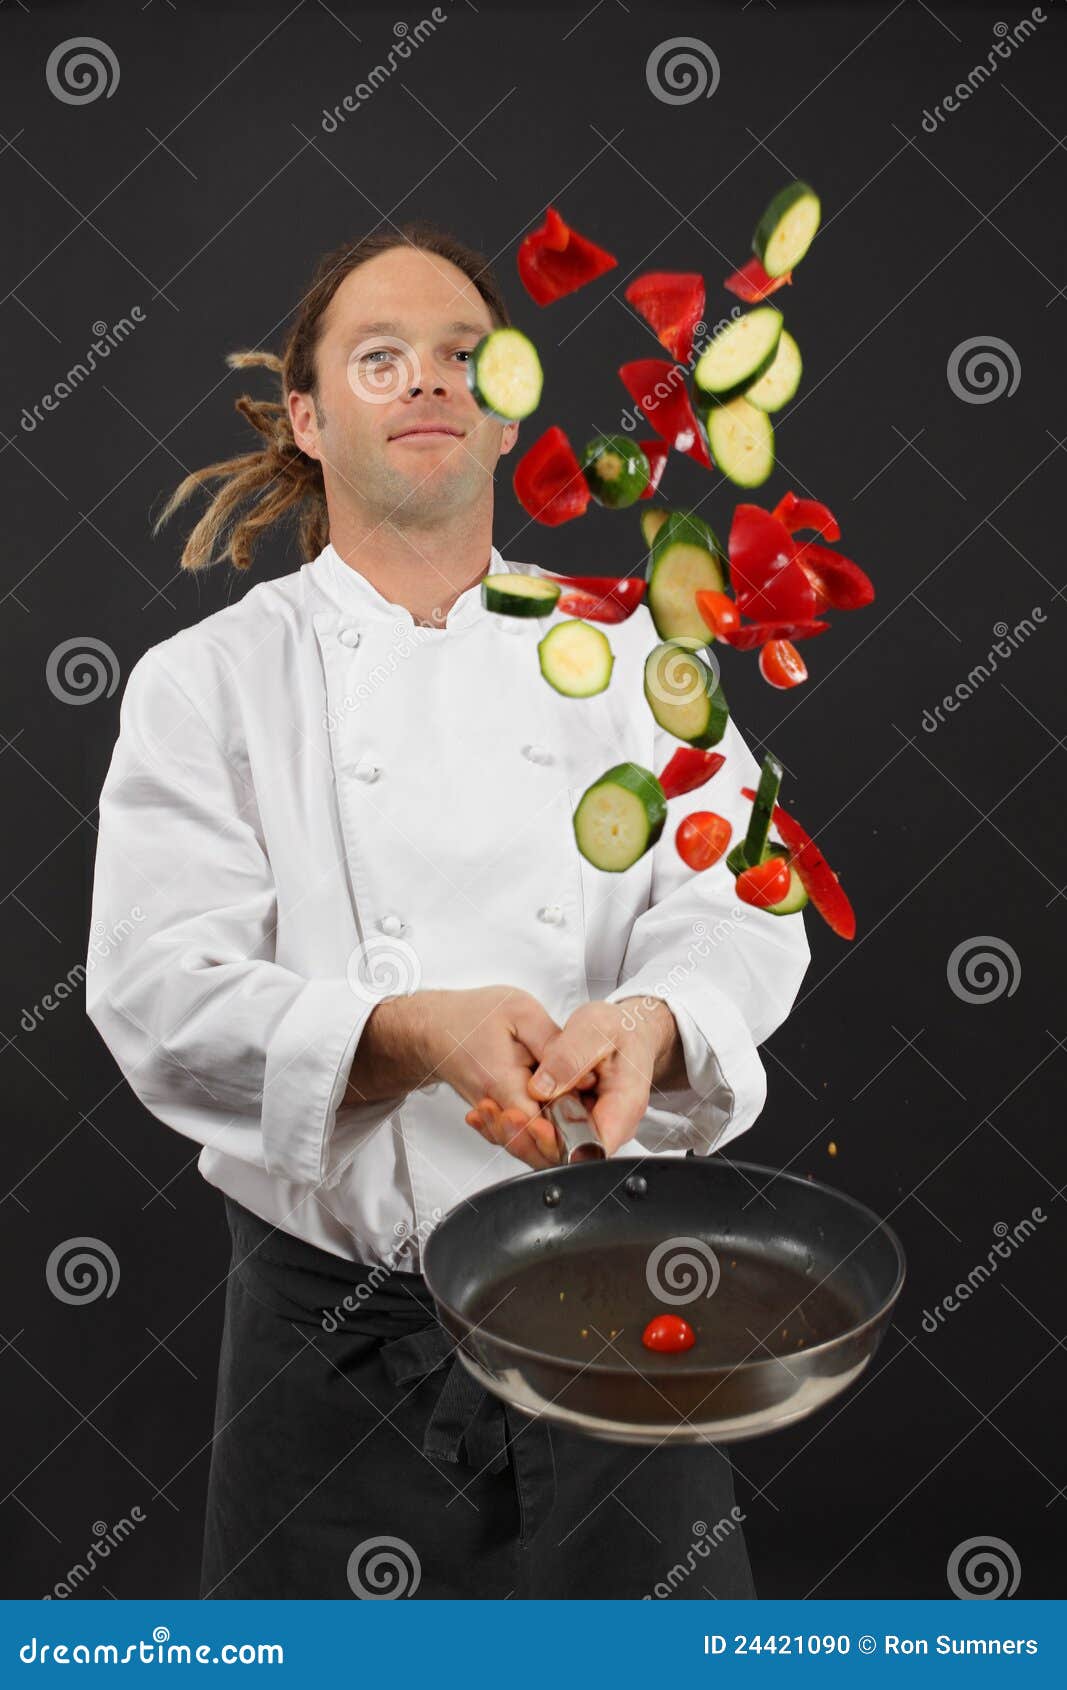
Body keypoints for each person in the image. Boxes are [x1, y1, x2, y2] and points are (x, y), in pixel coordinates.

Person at [85, 220, 811, 1600]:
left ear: (509, 411)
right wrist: (413, 1029)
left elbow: (742, 897)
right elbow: (157, 992)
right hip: (332, 1333)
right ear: (307, 417)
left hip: (615, 1302)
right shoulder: (208, 683)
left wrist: (654, 1018)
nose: (427, 379)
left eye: (465, 355)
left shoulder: (645, 652)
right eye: (379, 357)